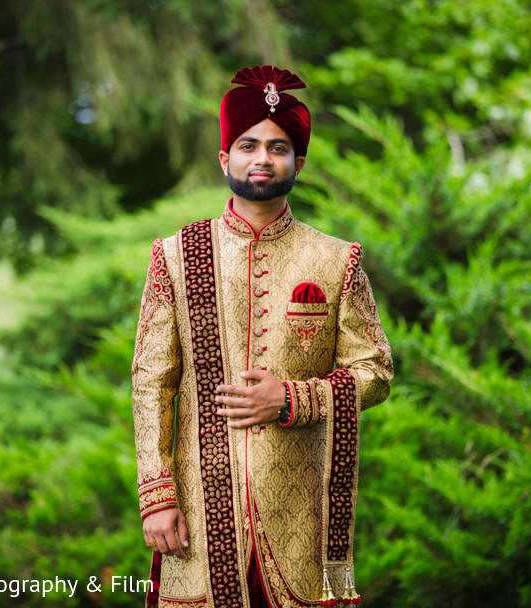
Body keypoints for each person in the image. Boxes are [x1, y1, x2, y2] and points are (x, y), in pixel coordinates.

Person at [131, 65, 393, 608]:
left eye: (278, 148)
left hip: (304, 520)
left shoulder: (336, 260)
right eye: (248, 146)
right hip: (200, 509)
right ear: (224, 158)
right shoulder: (176, 257)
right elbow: (152, 381)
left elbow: (376, 372)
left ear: (299, 163)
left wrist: (291, 399)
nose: (263, 159)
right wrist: (157, 495)